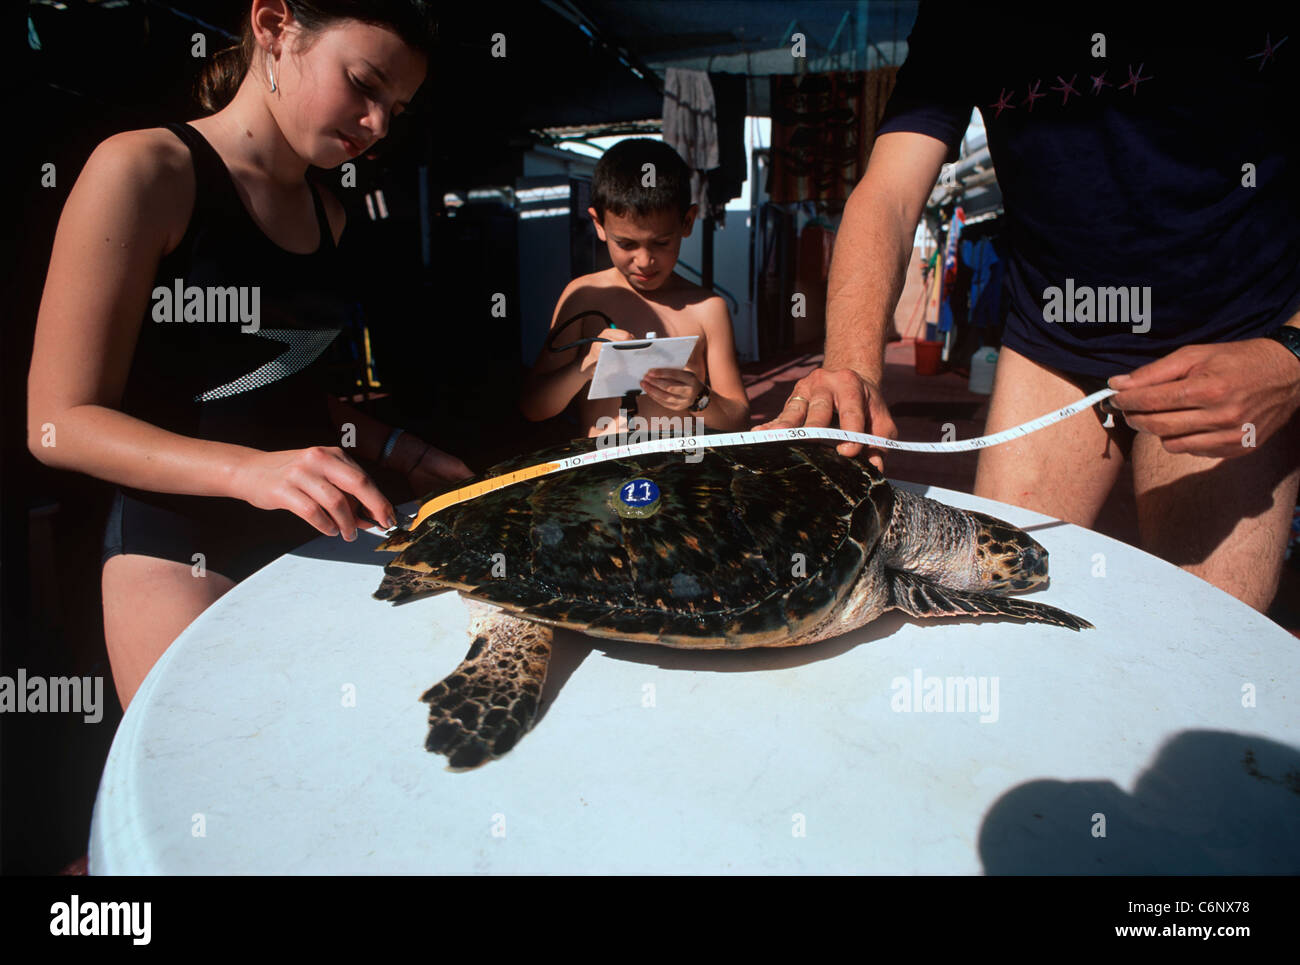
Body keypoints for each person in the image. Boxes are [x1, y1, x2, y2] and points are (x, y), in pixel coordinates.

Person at [761, 1, 1300, 614]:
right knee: (987, 607)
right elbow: (889, 191)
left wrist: (1290, 357)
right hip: (1052, 344)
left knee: (1210, 636)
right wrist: (851, 368)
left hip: (1236, 337)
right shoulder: (963, 13)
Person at [26, 0, 471, 709]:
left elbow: (270, 387)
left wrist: (400, 449)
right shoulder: (145, 170)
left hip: (317, 541)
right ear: (273, 27)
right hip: (177, 551)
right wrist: (250, 470)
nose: (379, 124)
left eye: (396, 106)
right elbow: (58, 421)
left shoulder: (330, 211)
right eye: (362, 83)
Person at [520, 138, 750, 437]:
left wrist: (699, 399)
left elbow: (739, 418)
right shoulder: (583, 296)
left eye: (661, 242)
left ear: (688, 222)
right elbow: (533, 408)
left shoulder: (707, 309)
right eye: (626, 244)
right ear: (599, 224)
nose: (644, 261)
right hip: (606, 473)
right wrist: (585, 368)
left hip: (680, 472)